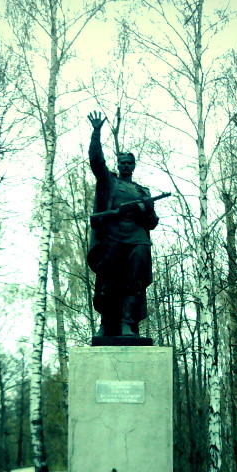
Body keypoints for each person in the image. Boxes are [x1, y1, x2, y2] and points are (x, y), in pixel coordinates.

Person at [86, 110, 158, 339]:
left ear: (134, 166)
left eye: (129, 163)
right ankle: (106, 324)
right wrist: (96, 133)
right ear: (119, 164)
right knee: (108, 283)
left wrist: (145, 208)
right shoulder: (110, 183)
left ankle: (128, 324)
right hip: (113, 239)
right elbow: (96, 161)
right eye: (122, 162)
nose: (126, 166)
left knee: (134, 283)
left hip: (138, 240)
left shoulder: (142, 191)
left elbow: (153, 222)